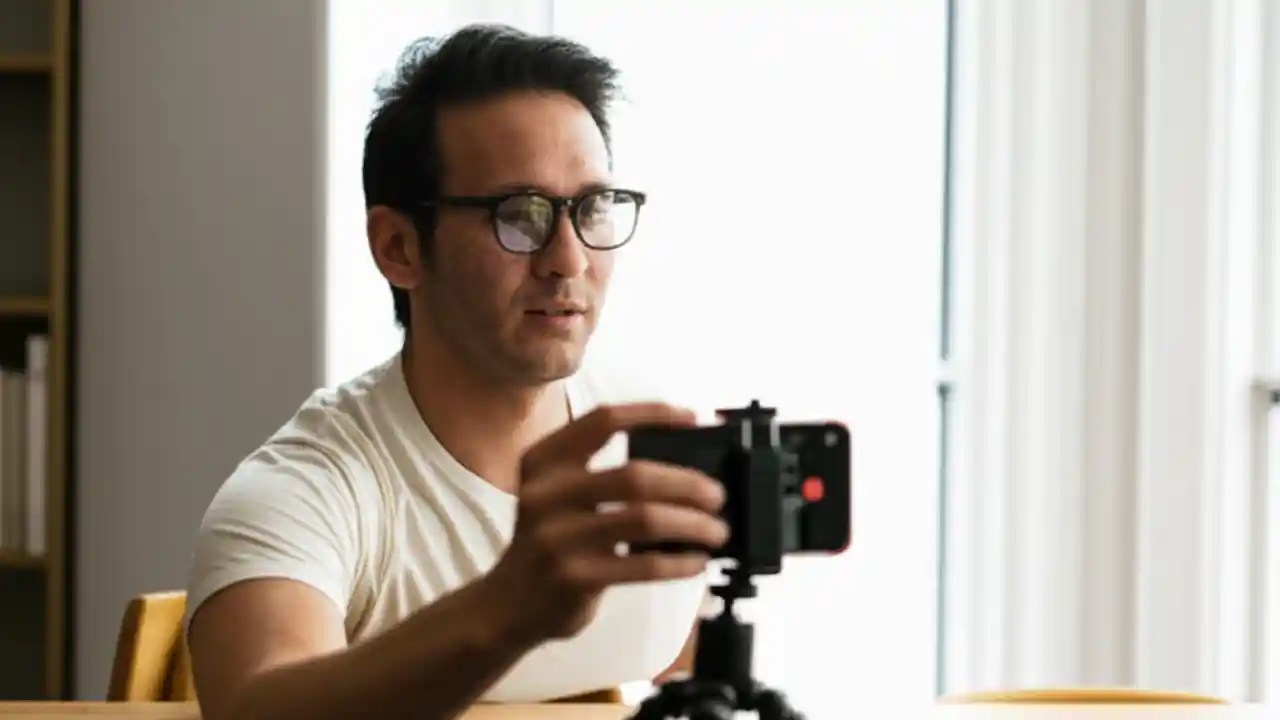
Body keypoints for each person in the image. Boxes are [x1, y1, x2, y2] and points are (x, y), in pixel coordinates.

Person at [183, 23, 728, 720]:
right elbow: (256, 705)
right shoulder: (308, 490)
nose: (569, 258)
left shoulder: (649, 441)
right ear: (399, 247)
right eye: (520, 215)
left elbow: (688, 681)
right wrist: (510, 609)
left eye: (591, 207)